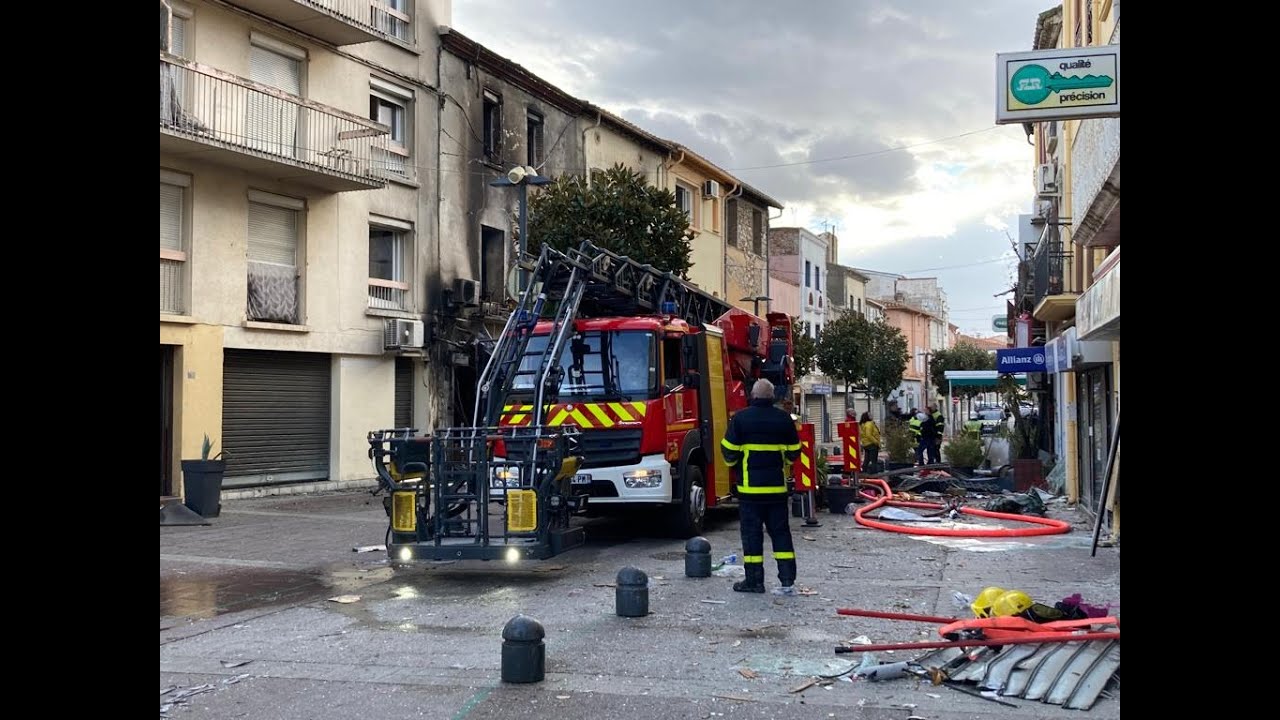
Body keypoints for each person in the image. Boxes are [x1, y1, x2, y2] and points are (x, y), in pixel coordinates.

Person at [721, 379, 802, 595]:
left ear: (753, 396)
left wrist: (736, 465)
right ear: (772, 396)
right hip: (776, 491)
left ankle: (754, 582)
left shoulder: (741, 419)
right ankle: (787, 580)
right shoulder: (784, 419)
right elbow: (795, 451)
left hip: (750, 492)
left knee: (751, 537)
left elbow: (728, 450)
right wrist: (783, 462)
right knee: (781, 534)